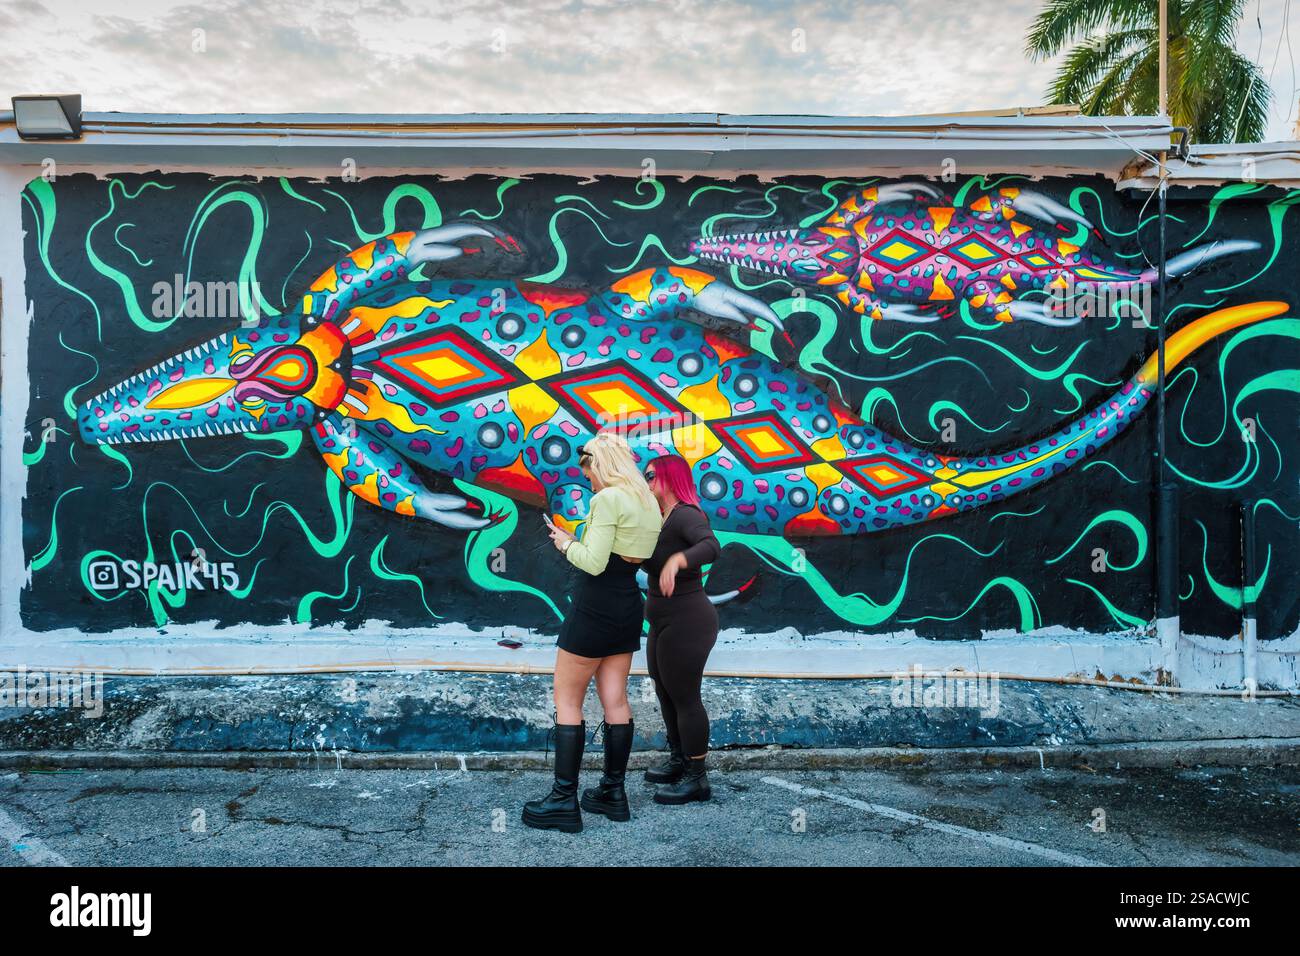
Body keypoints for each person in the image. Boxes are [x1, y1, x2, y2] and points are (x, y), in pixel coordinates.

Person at [522, 432, 663, 833]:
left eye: (589, 475)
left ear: (600, 466)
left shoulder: (607, 499)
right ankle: (611, 793)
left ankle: (563, 800)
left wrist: (566, 543)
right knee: (615, 698)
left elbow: (593, 562)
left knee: (568, 699)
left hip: (594, 608)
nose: (589, 483)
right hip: (626, 609)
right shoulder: (647, 503)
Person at [640, 454, 721, 804]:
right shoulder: (661, 519)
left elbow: (711, 546)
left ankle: (697, 778)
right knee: (665, 691)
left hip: (688, 621)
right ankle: (679, 759)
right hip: (662, 619)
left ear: (669, 479)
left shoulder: (687, 514)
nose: (645, 482)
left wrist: (679, 559)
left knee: (686, 697)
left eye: (650, 476)